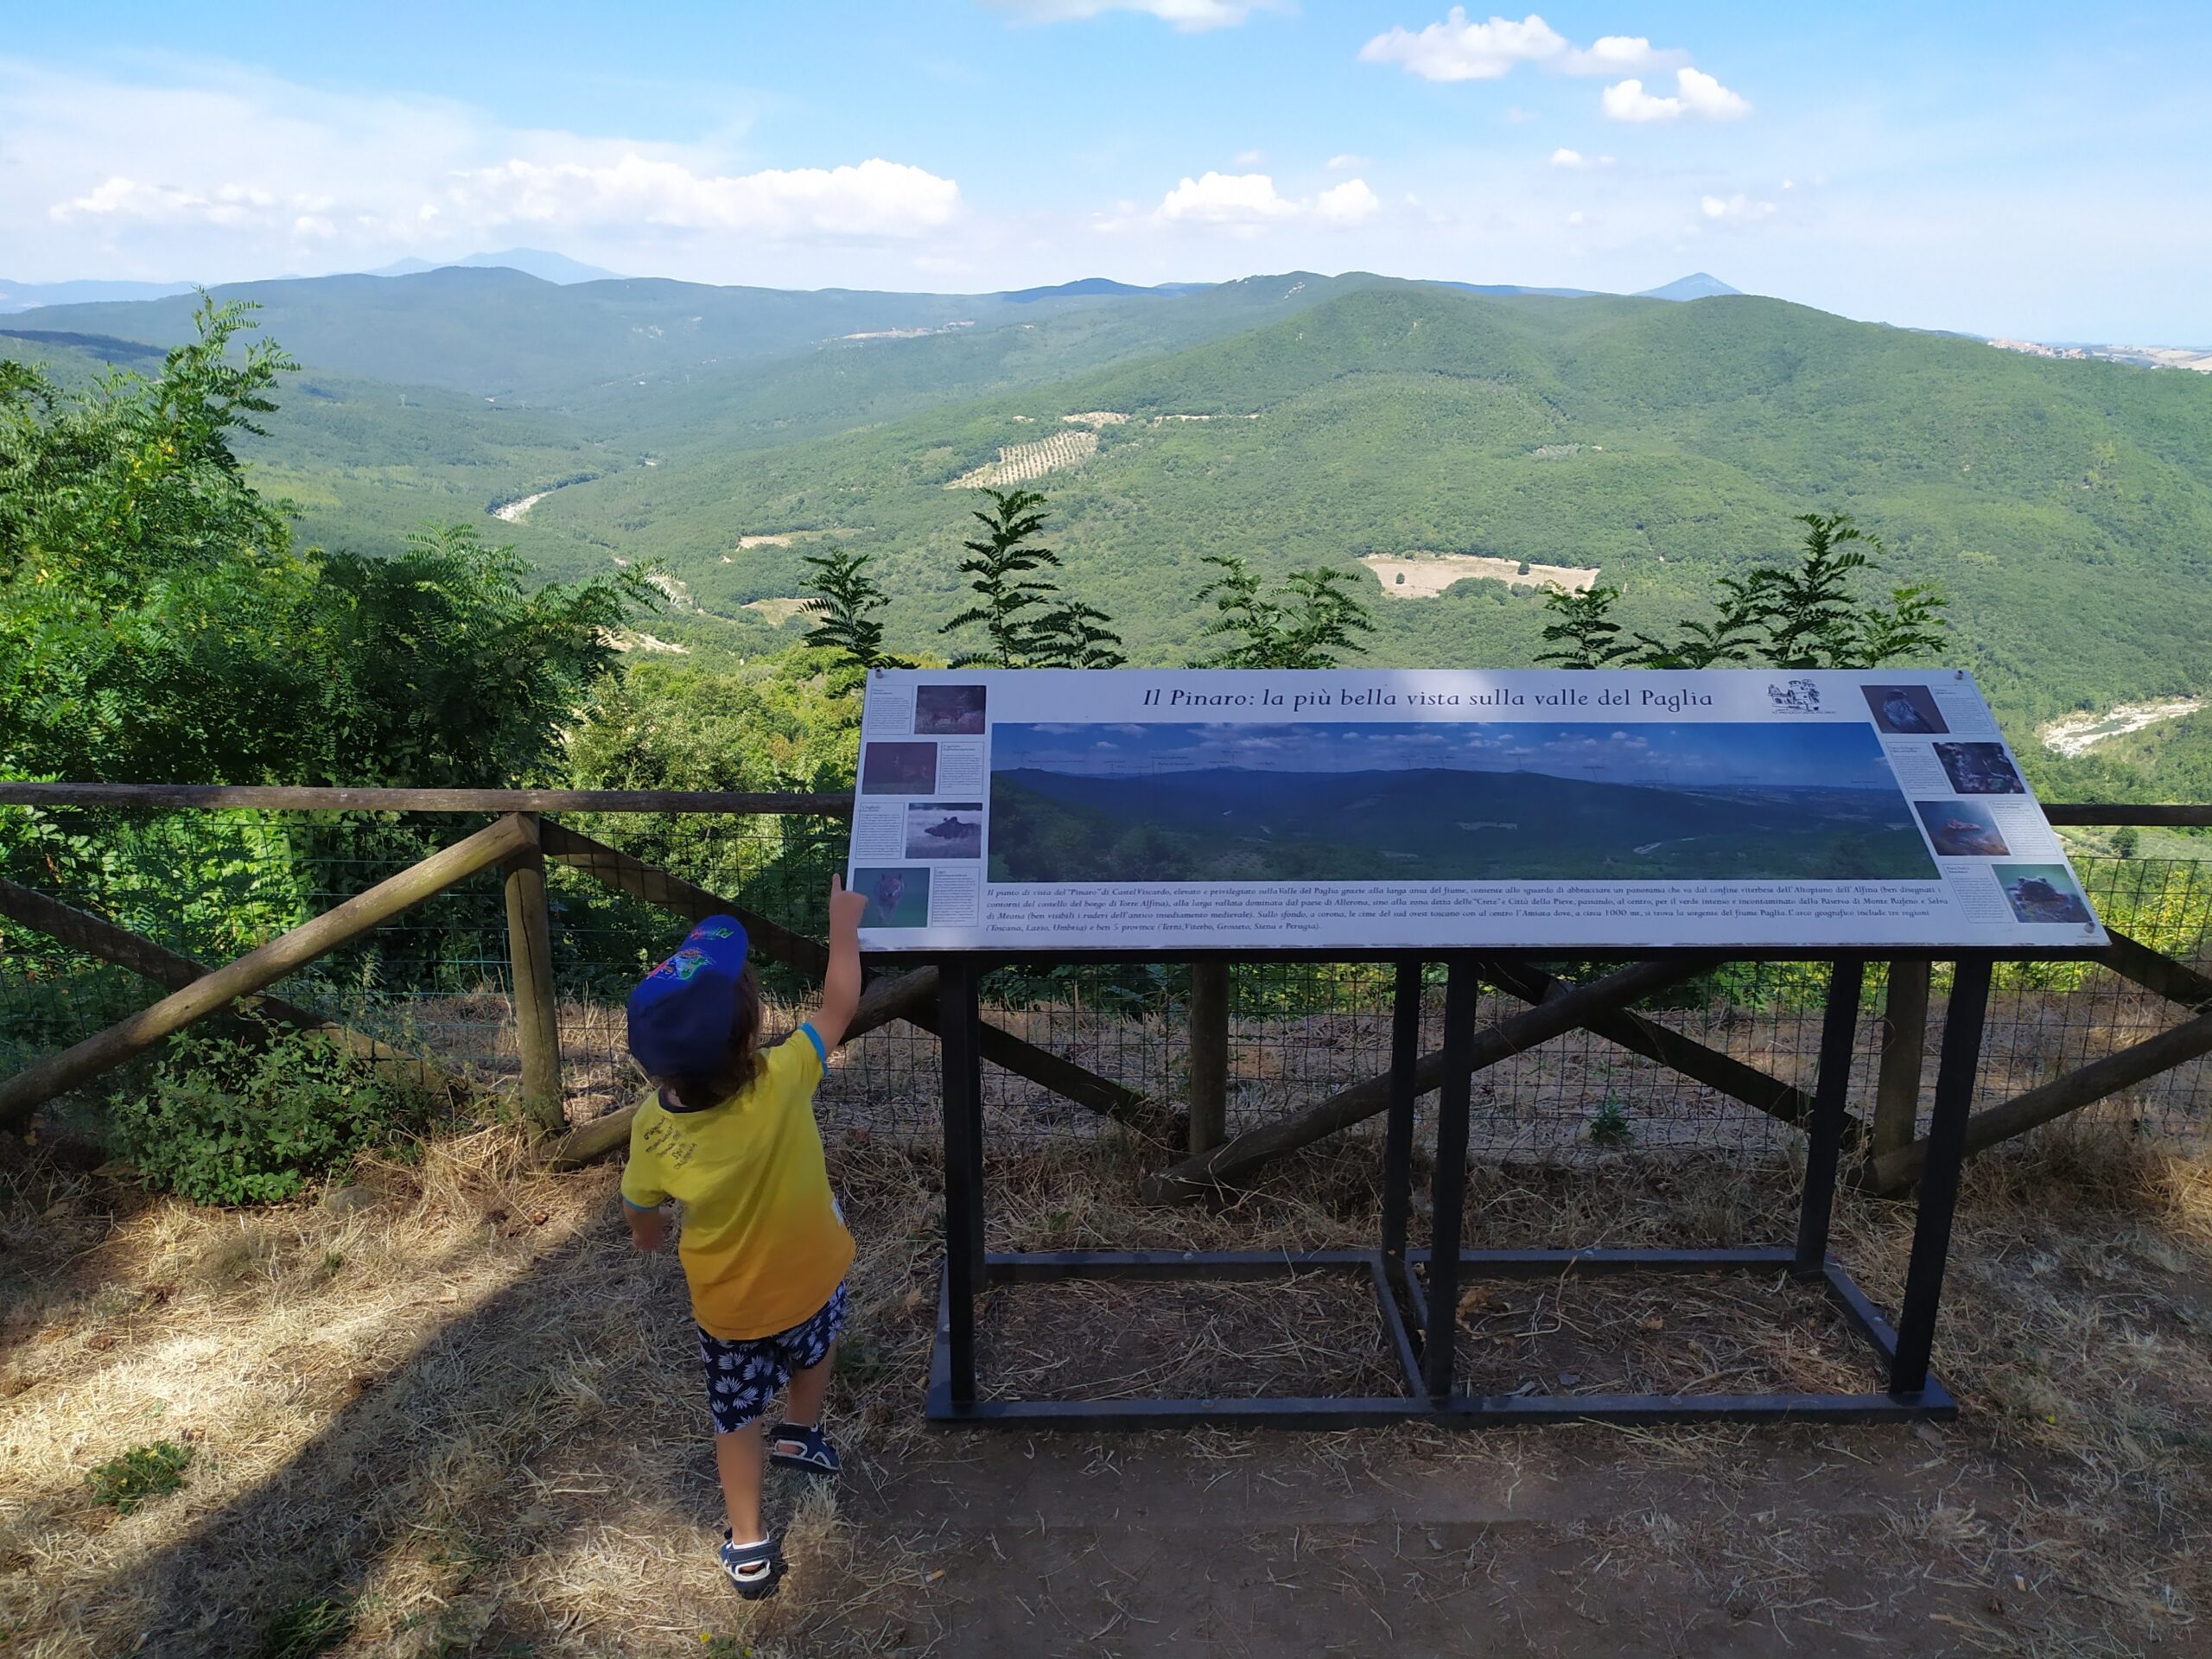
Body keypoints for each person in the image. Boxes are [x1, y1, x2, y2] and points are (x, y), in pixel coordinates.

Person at [620, 878, 868, 1599]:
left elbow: (640, 1203)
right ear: (751, 1032)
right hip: (814, 1274)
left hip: (729, 1309)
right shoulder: (784, 1077)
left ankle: (751, 1544)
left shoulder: (653, 1125)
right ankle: (801, 1429)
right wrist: (842, 927)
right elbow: (839, 1005)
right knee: (816, 1349)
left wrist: (647, 1237)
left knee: (734, 1417)